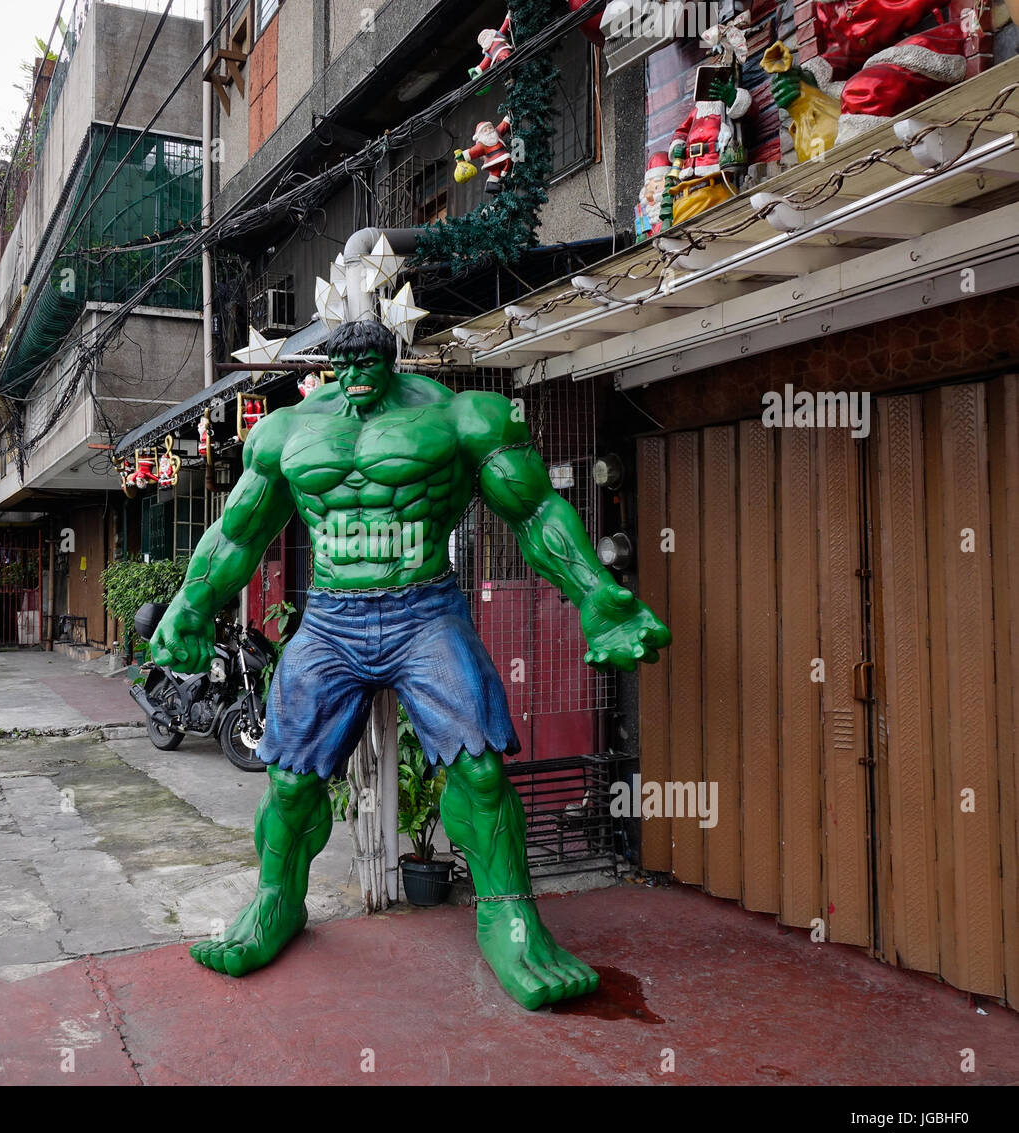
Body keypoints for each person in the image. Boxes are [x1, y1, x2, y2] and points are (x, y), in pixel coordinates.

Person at [151, 318, 670, 1011]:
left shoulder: (462, 417)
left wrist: (598, 596)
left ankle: (509, 916)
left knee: (480, 769)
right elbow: (239, 530)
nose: (358, 373)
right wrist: (189, 603)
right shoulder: (286, 432)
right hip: (330, 617)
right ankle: (275, 901)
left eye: (370, 359)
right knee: (288, 779)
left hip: (424, 611)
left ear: (392, 357)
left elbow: (537, 511)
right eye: (346, 362)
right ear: (328, 365)